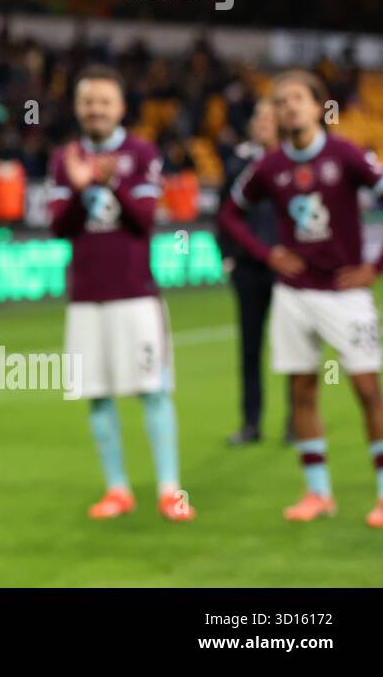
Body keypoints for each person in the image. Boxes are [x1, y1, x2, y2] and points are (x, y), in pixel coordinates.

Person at [219, 70, 383, 527]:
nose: (288, 107)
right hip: (294, 294)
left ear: (318, 106)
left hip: (345, 294)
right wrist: (267, 254)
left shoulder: (345, 154)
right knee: (302, 391)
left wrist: (375, 267)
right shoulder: (270, 167)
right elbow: (231, 214)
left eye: (297, 99)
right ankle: (318, 494)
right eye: (280, 101)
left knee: (368, 390)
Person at [48, 65, 195, 522]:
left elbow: (145, 220)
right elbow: (61, 227)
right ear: (78, 107)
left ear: (120, 108)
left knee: (152, 390)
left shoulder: (141, 151)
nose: (96, 110)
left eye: (104, 102)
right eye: (88, 102)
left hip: (136, 295)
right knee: (97, 394)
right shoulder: (64, 158)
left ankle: (171, 488)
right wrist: (80, 188)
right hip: (87, 296)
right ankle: (117, 488)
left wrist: (107, 181)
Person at [217, 98, 282, 445]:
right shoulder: (238, 162)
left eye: (269, 118)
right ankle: (251, 422)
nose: (262, 123)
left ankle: (296, 422)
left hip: (286, 267)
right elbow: (222, 211)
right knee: (250, 348)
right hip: (248, 268)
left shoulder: (291, 162)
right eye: (258, 117)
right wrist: (227, 256)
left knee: (291, 349)